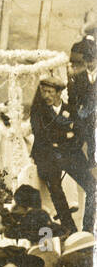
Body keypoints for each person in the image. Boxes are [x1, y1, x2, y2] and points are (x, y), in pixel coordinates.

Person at [31, 75, 95, 234]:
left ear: (59, 93)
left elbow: (80, 135)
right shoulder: (38, 112)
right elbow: (42, 135)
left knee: (92, 187)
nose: (46, 96)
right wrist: (66, 135)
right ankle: (70, 229)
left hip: (69, 155)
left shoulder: (71, 110)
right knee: (56, 189)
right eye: (44, 91)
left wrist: (63, 140)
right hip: (47, 156)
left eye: (50, 92)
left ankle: (88, 229)